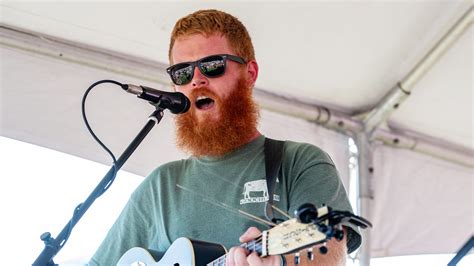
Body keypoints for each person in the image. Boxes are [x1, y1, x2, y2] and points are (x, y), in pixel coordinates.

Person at [90, 9, 361, 266]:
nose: (196, 81)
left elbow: (329, 250)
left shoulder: (300, 162)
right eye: (183, 72)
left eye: (212, 66)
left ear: (250, 73)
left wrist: (279, 262)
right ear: (174, 86)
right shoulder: (159, 186)